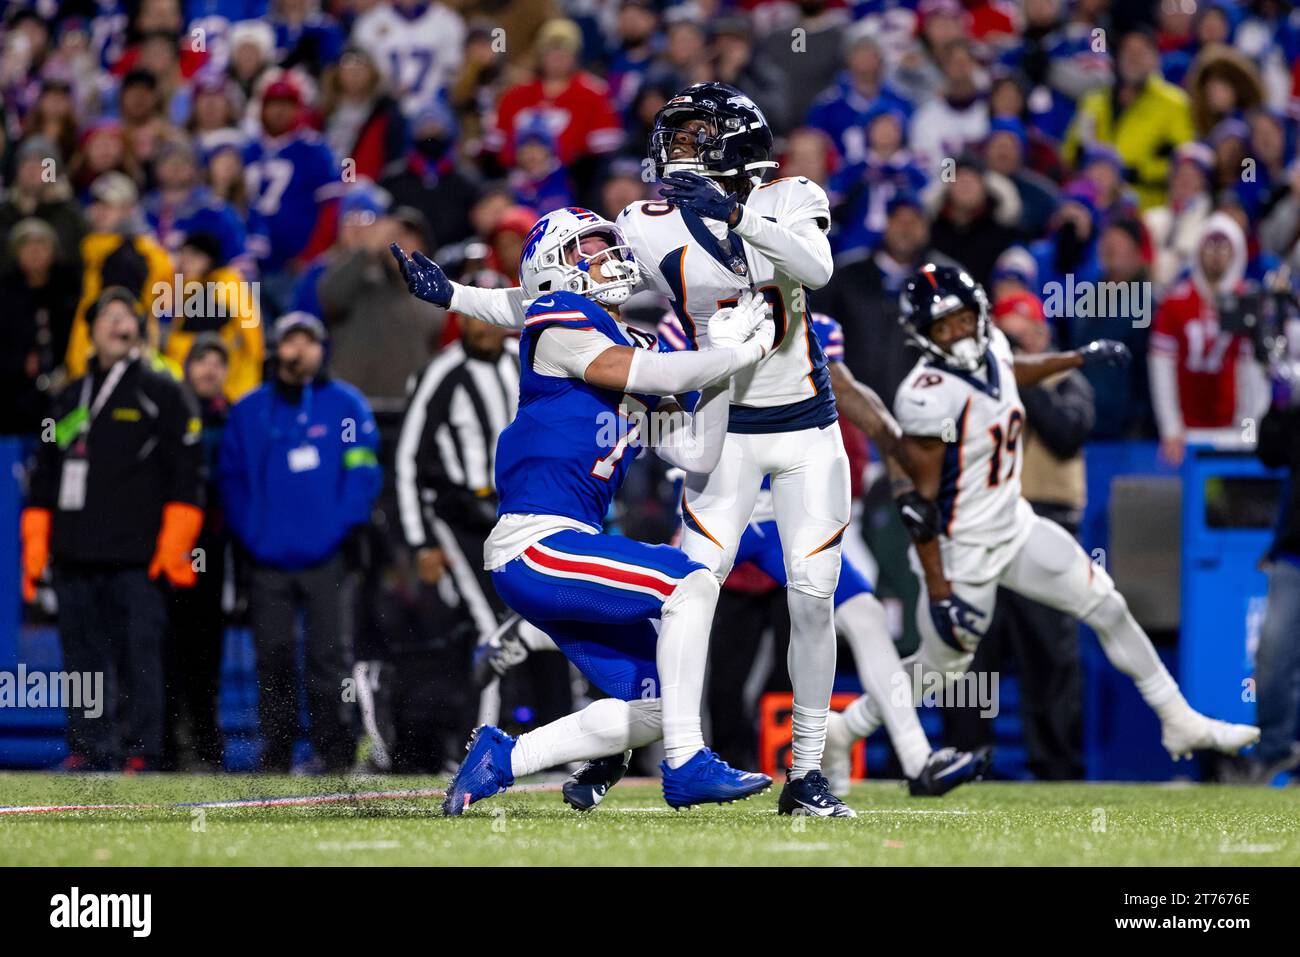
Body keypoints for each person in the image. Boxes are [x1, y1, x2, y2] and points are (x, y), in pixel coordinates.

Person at [396, 83, 857, 817]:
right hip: (723, 426)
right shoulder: (642, 227)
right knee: (691, 587)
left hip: (805, 426)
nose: (677, 147)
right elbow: (552, 289)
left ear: (737, 139)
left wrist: (735, 217)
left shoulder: (790, 196)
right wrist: (457, 296)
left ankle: (803, 771)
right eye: (672, 134)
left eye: (695, 132)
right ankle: (678, 755)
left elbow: (817, 268)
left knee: (810, 596)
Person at [392, 205, 775, 813]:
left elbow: (696, 450)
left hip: (564, 551)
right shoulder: (560, 321)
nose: (604, 256)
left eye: (604, 243)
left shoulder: (623, 342)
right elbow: (608, 353)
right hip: (537, 543)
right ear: (551, 271)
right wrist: (732, 354)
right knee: (690, 585)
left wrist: (722, 370)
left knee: (658, 698)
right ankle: (686, 764)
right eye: (585, 249)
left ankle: (504, 758)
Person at [822, 264, 1260, 771]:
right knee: (939, 670)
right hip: (960, 550)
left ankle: (1178, 715)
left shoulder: (995, 350)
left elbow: (1014, 369)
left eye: (963, 320)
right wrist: (940, 592)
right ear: (924, 337)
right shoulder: (926, 394)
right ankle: (844, 729)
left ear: (980, 314)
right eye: (943, 328)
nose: (959, 334)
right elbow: (919, 505)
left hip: (1015, 525)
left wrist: (1078, 357)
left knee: (1106, 603)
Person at [22, 287, 205, 772]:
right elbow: (43, 477)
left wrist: (174, 546)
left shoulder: (160, 391)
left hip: (136, 555)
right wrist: (36, 550)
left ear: (139, 328)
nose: (117, 324)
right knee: (81, 658)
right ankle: (88, 745)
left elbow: (187, 476)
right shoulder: (65, 398)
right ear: (92, 330)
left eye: (126, 316)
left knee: (138, 656)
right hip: (74, 552)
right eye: (108, 316)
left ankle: (141, 750)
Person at [217, 312, 382, 773]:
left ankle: (335, 752)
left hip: (326, 558)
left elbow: (363, 473)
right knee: (272, 659)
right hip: (267, 560)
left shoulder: (347, 406)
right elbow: (230, 480)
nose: (300, 351)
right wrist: (254, 535)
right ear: (275, 349)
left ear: (322, 348)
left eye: (309, 342)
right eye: (291, 342)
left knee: (329, 658)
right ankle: (276, 752)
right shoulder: (249, 410)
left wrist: (338, 528)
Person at [164, 334, 232, 770]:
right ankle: (168, 744)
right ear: (187, 367)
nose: (209, 370)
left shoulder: (236, 417)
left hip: (215, 545)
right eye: (201, 361)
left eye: (218, 363)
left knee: (207, 650)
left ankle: (206, 745)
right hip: (170, 544)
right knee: (167, 648)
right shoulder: (168, 410)